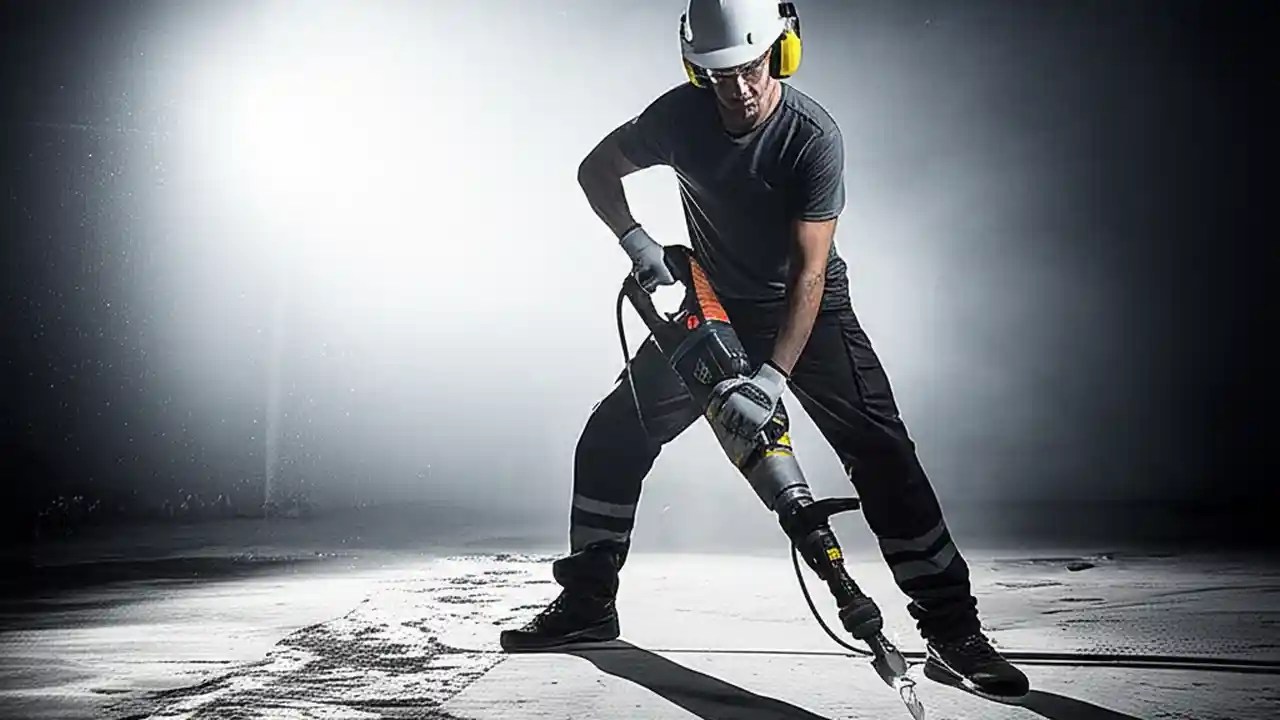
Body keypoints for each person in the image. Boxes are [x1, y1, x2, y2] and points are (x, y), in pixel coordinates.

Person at [500, 0, 1029, 703]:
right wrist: (636, 240)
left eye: (751, 69)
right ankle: (588, 603)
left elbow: (809, 274)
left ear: (781, 53)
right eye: (721, 75)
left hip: (809, 312)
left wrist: (774, 378)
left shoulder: (811, 137)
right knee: (611, 436)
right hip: (714, 311)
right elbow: (595, 169)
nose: (739, 89)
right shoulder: (678, 118)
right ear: (697, 69)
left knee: (882, 454)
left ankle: (953, 633)